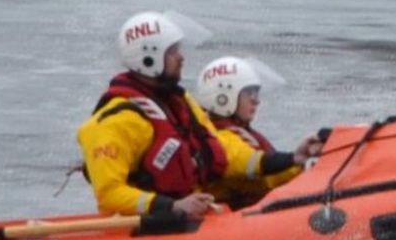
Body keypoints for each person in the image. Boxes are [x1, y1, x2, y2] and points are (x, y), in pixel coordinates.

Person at [76, 12, 315, 223]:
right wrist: (171, 206)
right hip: (154, 224)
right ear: (148, 57)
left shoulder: (181, 104)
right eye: (172, 52)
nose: (181, 58)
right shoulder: (116, 121)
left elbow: (225, 154)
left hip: (194, 215)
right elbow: (109, 194)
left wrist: (291, 159)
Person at [195, 55, 316, 209]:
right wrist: (295, 159)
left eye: (255, 93)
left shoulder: (239, 132)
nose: (256, 100)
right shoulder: (217, 137)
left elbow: (269, 176)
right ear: (223, 96)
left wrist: (306, 163)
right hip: (227, 214)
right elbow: (252, 167)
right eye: (249, 93)